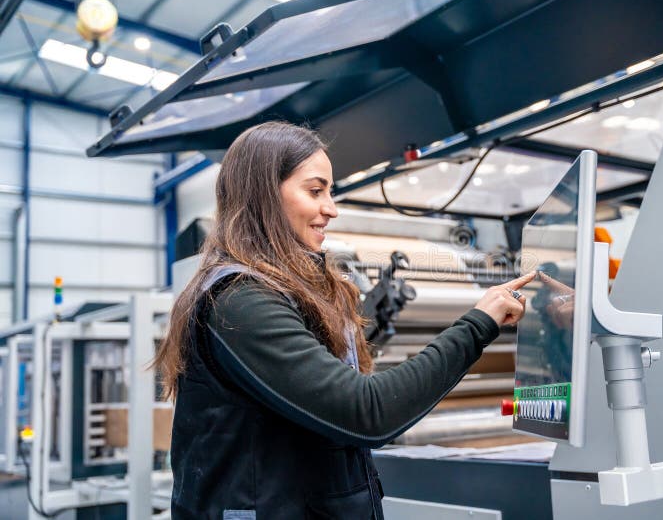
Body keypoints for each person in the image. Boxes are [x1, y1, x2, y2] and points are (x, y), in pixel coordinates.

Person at [154, 121, 534, 520]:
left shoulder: (287, 292)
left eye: (330, 192)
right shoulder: (238, 300)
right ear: (264, 193)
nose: (331, 209)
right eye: (315, 190)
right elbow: (367, 412)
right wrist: (478, 324)